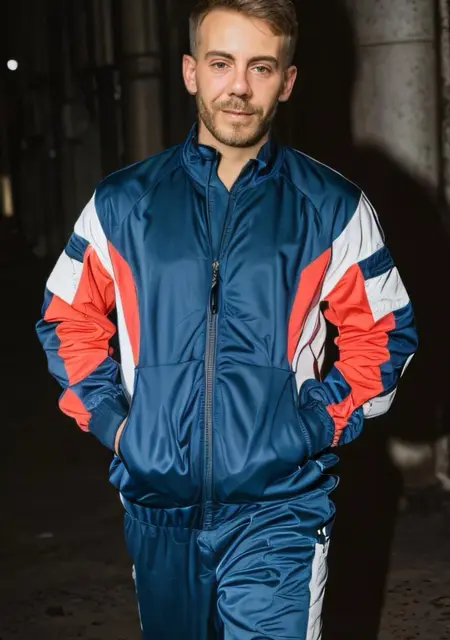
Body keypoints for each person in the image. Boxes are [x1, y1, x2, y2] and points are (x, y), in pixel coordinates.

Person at [36, 0, 418, 637]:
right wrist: (118, 427)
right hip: (159, 509)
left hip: (280, 509)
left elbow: (384, 335)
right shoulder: (123, 204)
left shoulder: (331, 207)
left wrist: (310, 426)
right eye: (221, 63)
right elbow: (65, 318)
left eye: (260, 67)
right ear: (191, 72)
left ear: (286, 82)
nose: (239, 86)